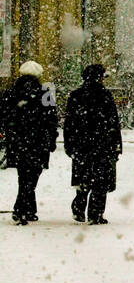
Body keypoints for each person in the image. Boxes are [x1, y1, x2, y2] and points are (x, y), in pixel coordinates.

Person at [63, 64, 122, 225]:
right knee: (100, 183)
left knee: (83, 180)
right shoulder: (105, 96)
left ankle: (79, 208)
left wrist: (69, 144)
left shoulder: (76, 95)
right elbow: (113, 123)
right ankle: (95, 214)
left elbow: (69, 123)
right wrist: (116, 145)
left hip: (81, 145)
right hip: (102, 145)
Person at [1, 61, 58, 225]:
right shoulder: (46, 93)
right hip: (38, 141)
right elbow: (51, 119)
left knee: (23, 175)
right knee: (32, 176)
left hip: (17, 140)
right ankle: (21, 209)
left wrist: (11, 132)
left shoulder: (11, 92)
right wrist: (51, 138)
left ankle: (27, 209)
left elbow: (5, 115)